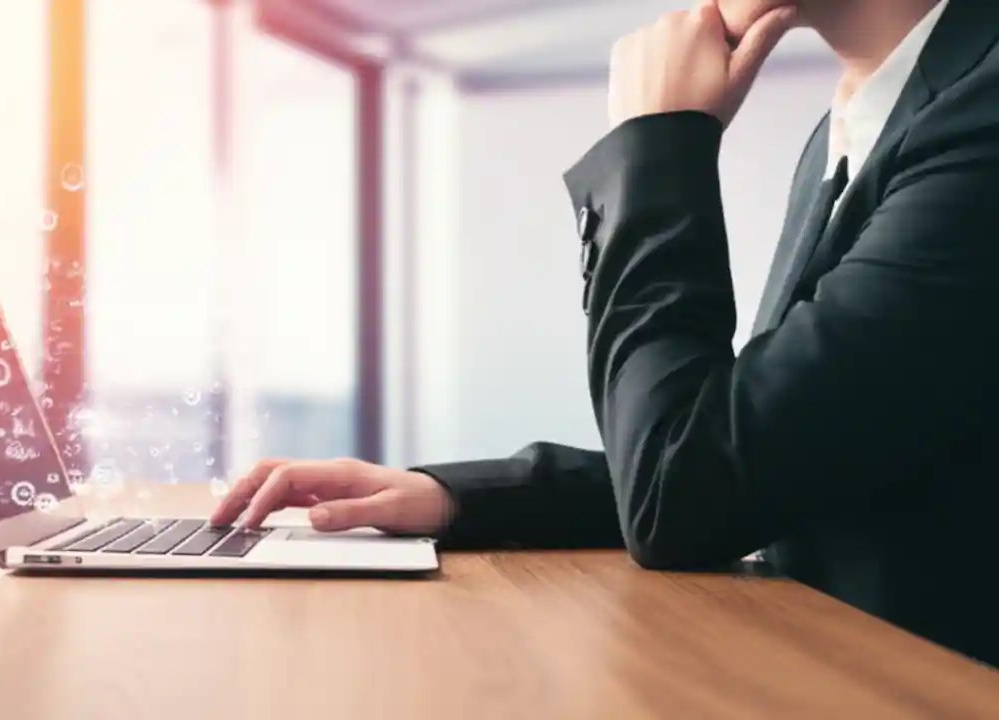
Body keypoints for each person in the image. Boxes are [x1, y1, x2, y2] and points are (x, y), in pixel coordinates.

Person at [212, 0, 999, 666]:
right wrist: (461, 499)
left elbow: (686, 496)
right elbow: (766, 454)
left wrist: (658, 145)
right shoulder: (868, 119)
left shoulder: (979, 117)